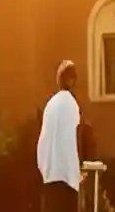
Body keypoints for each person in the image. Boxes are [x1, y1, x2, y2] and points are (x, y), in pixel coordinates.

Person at [37, 60, 82, 212]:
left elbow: (43, 143)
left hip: (50, 178)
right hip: (67, 178)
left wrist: (45, 169)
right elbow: (75, 139)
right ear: (72, 80)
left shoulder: (50, 105)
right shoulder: (72, 105)